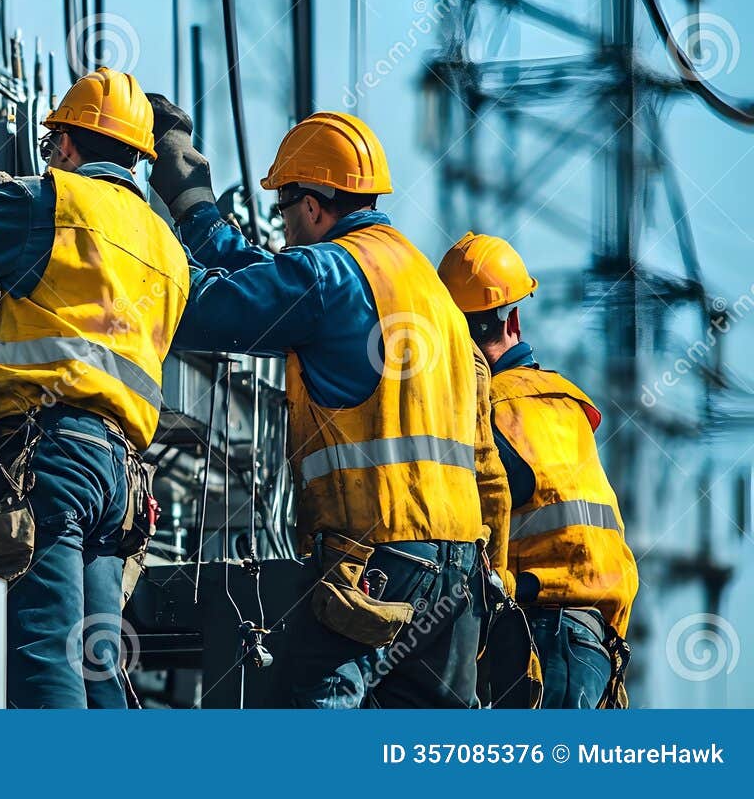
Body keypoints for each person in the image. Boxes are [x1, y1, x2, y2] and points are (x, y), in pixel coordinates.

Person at [148, 100, 511, 708]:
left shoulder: (333, 276)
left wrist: (130, 248)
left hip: (379, 559)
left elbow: (216, 307)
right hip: (459, 575)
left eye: (284, 210)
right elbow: (269, 282)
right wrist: (195, 206)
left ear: (313, 206)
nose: (284, 226)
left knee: (316, 715)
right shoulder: (430, 295)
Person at [0, 68, 189, 707]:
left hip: (49, 454)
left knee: (43, 652)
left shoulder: (50, 202)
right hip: (122, 477)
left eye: (53, 144)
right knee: (98, 662)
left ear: (69, 144)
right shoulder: (169, 250)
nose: (50, 156)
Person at [439, 232, 638, 708]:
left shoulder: (484, 408)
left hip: (543, 636)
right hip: (596, 637)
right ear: (514, 319)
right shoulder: (565, 401)